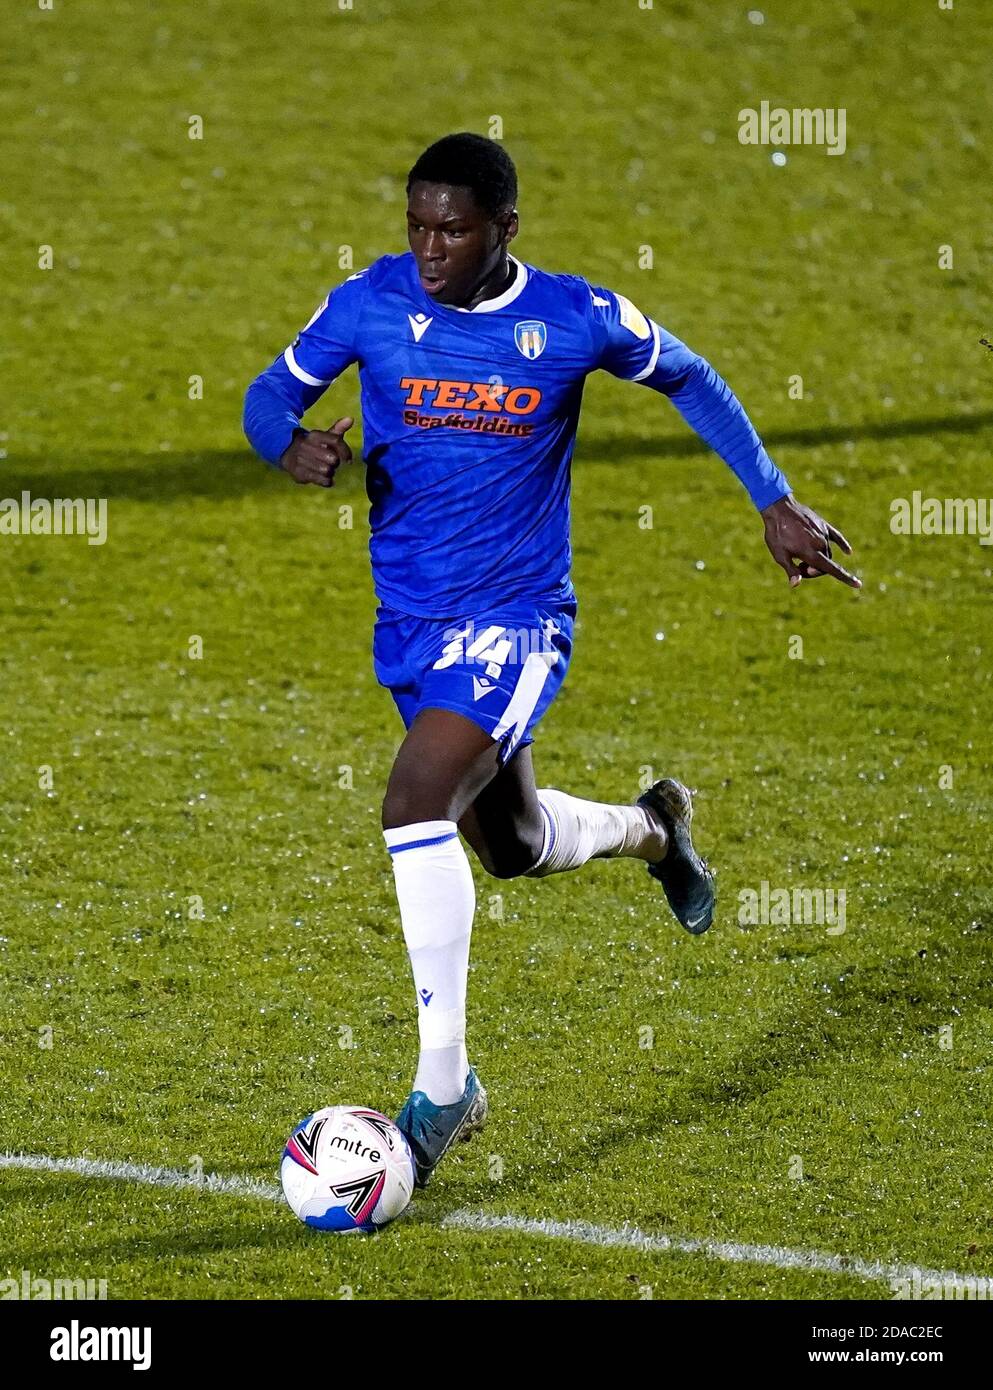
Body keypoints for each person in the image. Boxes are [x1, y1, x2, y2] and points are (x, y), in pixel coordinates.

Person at [243, 131, 859, 1189]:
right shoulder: (369, 304)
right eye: (418, 225)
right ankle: (657, 830)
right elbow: (268, 397)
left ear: (505, 229)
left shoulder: (575, 318)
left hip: (520, 621)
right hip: (412, 625)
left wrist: (773, 500)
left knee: (412, 802)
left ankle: (444, 1088)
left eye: (454, 228)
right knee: (514, 845)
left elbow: (693, 377)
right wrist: (290, 447)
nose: (430, 247)